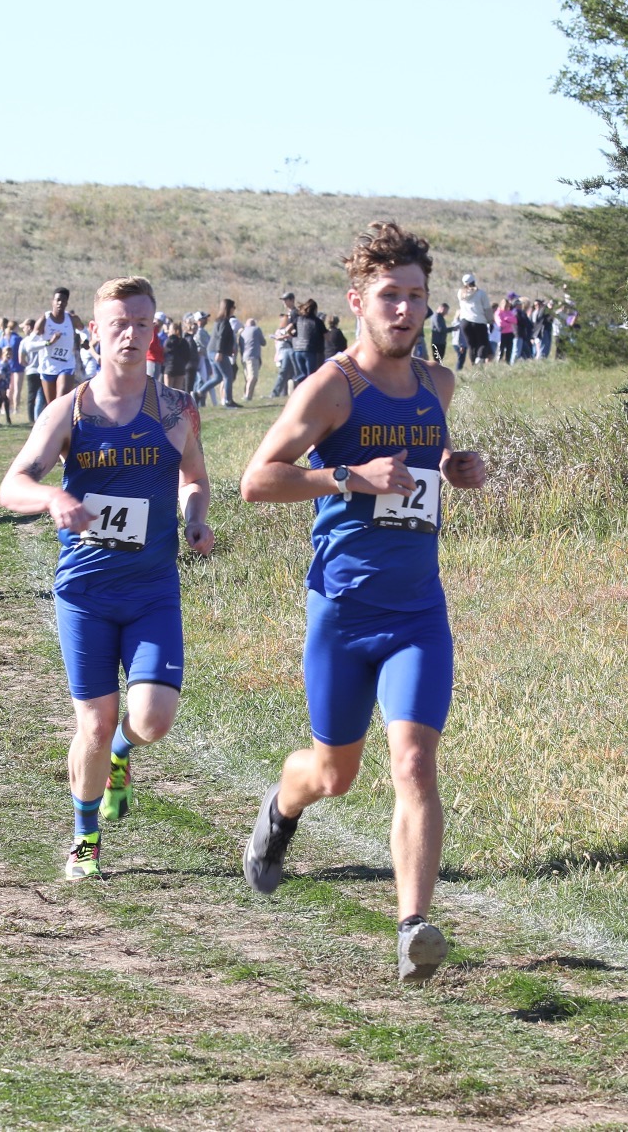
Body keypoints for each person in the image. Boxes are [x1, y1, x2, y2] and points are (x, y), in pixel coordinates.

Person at [236, 222, 488, 983]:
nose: (406, 311)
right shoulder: (331, 387)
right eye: (390, 297)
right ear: (357, 302)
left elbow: (423, 460)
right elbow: (257, 479)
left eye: (416, 296)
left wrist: (454, 465)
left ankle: (413, 925)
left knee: (414, 761)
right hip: (342, 612)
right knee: (333, 773)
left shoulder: (439, 384)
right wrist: (345, 478)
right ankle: (283, 808)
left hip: (418, 612)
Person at [0, 275, 214, 881]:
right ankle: (86, 838)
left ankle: (122, 755)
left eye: (141, 324)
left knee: (149, 722)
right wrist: (49, 498)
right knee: (92, 723)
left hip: (152, 592)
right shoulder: (68, 412)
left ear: (154, 332)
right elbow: (10, 484)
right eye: (118, 324)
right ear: (95, 332)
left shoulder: (175, 410)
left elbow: (194, 477)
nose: (130, 334)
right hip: (86, 594)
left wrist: (194, 517)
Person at [34, 287, 81, 406]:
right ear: (53, 301)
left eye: (63, 300)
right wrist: (49, 342)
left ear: (66, 303)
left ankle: (67, 422)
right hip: (48, 365)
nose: (60, 303)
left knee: (61, 400)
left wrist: (84, 341)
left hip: (66, 364)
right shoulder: (45, 319)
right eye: (58, 300)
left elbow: (84, 331)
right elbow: (31, 342)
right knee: (52, 405)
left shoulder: (72, 319)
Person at [210, 298, 242, 409]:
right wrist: (220, 352)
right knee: (228, 375)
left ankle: (199, 393)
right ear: (228, 308)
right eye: (233, 307)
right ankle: (228, 401)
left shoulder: (219, 320)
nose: (234, 310)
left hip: (214, 351)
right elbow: (221, 337)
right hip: (218, 352)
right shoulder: (224, 321)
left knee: (218, 378)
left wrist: (229, 349)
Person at [455, 273, 490, 368]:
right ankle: (479, 359)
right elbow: (487, 308)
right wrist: (490, 320)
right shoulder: (481, 293)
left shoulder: (460, 293)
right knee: (482, 342)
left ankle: (473, 364)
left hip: (465, 322)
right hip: (479, 321)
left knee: (471, 345)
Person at [291, 299, 322, 384]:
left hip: (297, 350)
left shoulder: (298, 319)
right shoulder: (317, 321)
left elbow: (288, 329)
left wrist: (294, 334)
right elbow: (327, 336)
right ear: (315, 309)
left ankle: (295, 381)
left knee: (303, 374)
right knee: (311, 375)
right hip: (309, 350)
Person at [239, 316, 265, 401]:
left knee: (248, 378)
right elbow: (263, 342)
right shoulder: (256, 329)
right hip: (253, 356)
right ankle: (247, 396)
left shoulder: (242, 332)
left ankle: (248, 395)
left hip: (244, 357)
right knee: (253, 377)